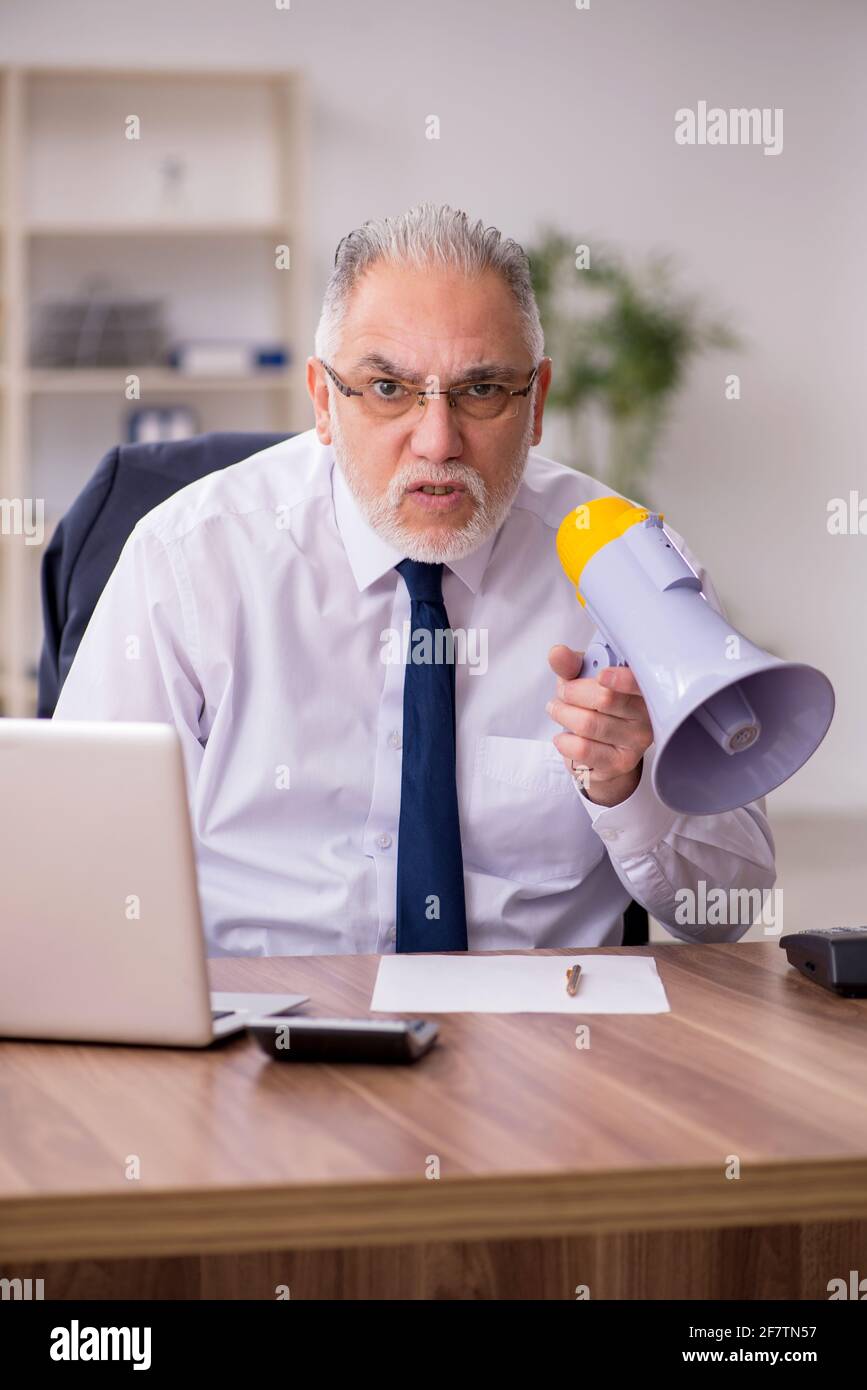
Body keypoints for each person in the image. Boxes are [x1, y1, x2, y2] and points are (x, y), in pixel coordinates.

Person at [53, 203, 775, 956]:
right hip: (260, 1035)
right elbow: (77, 865)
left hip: (540, 1045)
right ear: (323, 400)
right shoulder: (191, 558)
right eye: (389, 389)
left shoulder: (630, 566)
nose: (437, 442)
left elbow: (725, 909)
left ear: (535, 403)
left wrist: (627, 787)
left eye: (483, 390)